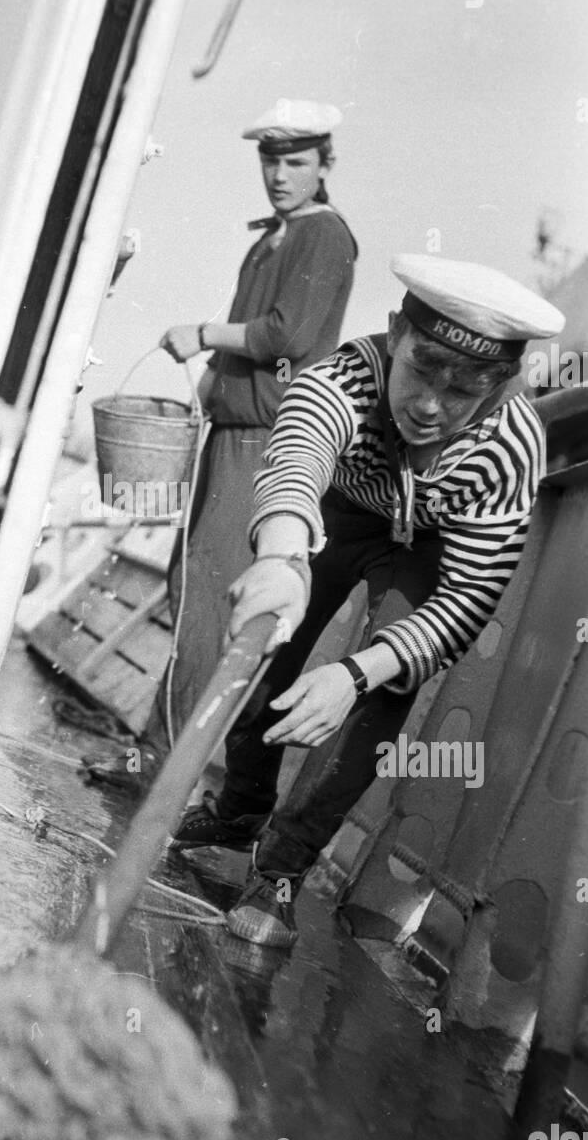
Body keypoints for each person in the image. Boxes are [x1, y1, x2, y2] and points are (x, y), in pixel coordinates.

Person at [170, 253, 565, 948]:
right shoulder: (347, 375)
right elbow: (298, 454)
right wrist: (282, 558)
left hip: (426, 546)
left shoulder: (513, 445)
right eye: (420, 368)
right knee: (276, 643)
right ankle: (238, 814)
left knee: (378, 698)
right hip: (343, 510)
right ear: (393, 335)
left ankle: (284, 867)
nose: (430, 404)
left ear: (503, 385)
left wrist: (355, 674)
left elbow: (469, 597)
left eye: (463, 388)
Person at [101, 101, 357, 778]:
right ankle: (158, 753)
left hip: (267, 442)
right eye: (270, 159)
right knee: (192, 590)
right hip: (229, 435)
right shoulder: (274, 235)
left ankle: (164, 769)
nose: (279, 174)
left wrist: (203, 335)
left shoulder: (323, 236)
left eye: (296, 161)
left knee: (214, 603)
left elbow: (286, 336)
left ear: (325, 165)